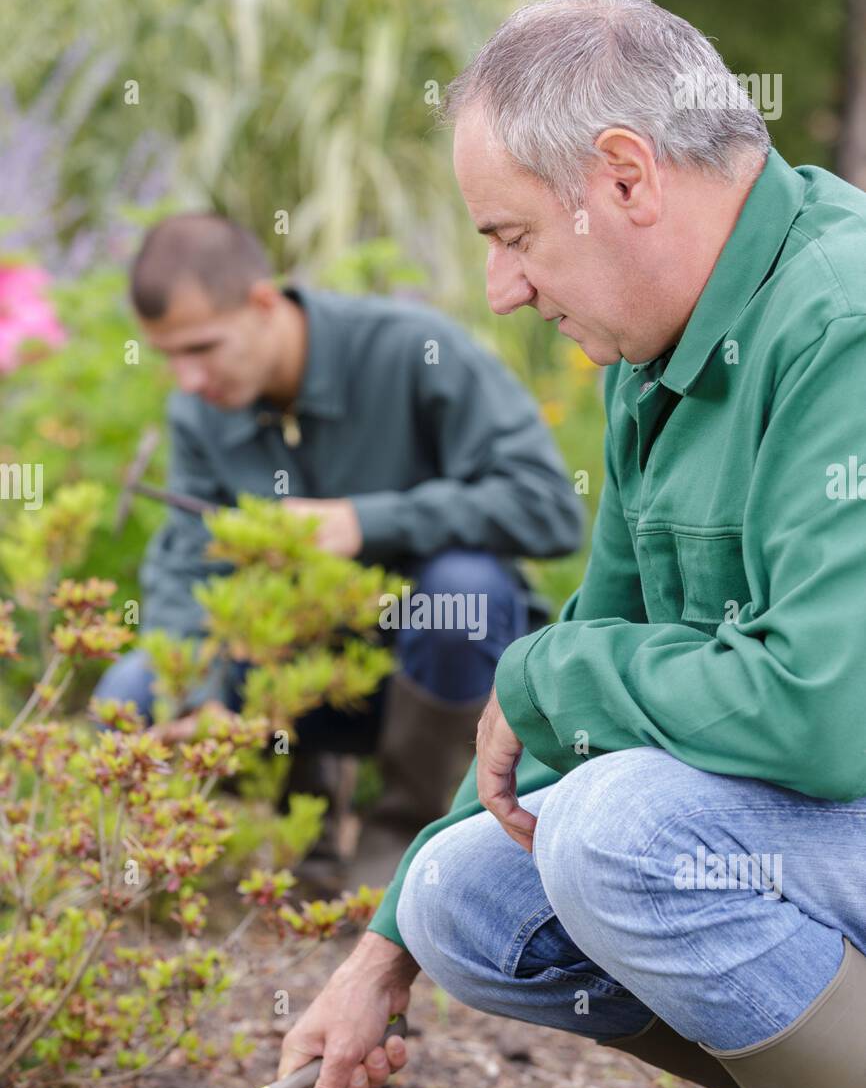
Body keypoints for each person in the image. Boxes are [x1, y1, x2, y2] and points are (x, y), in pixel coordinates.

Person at [276, 0, 866, 1088]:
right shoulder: (657, 351)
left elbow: (824, 715)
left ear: (623, 175)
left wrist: (555, 672)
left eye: (513, 235)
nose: (499, 289)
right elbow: (595, 653)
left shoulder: (841, 321)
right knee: (461, 900)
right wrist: (379, 951)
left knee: (617, 835)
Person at [94, 213, 584, 887]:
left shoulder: (412, 350)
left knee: (463, 588)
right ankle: (263, 849)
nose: (188, 379)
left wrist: (368, 522)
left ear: (263, 302)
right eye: (169, 355)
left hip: (439, 673)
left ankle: (419, 842)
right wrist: (199, 690)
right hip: (295, 687)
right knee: (133, 688)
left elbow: (549, 508)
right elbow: (185, 570)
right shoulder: (200, 411)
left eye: (202, 347)